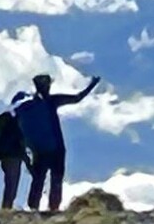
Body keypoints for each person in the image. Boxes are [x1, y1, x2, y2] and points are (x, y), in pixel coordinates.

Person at [14, 72, 101, 212]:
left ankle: (33, 207)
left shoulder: (27, 106)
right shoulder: (52, 101)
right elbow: (77, 98)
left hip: (39, 150)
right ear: (47, 85)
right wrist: (91, 85)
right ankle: (53, 209)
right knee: (56, 179)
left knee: (38, 179)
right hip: (57, 149)